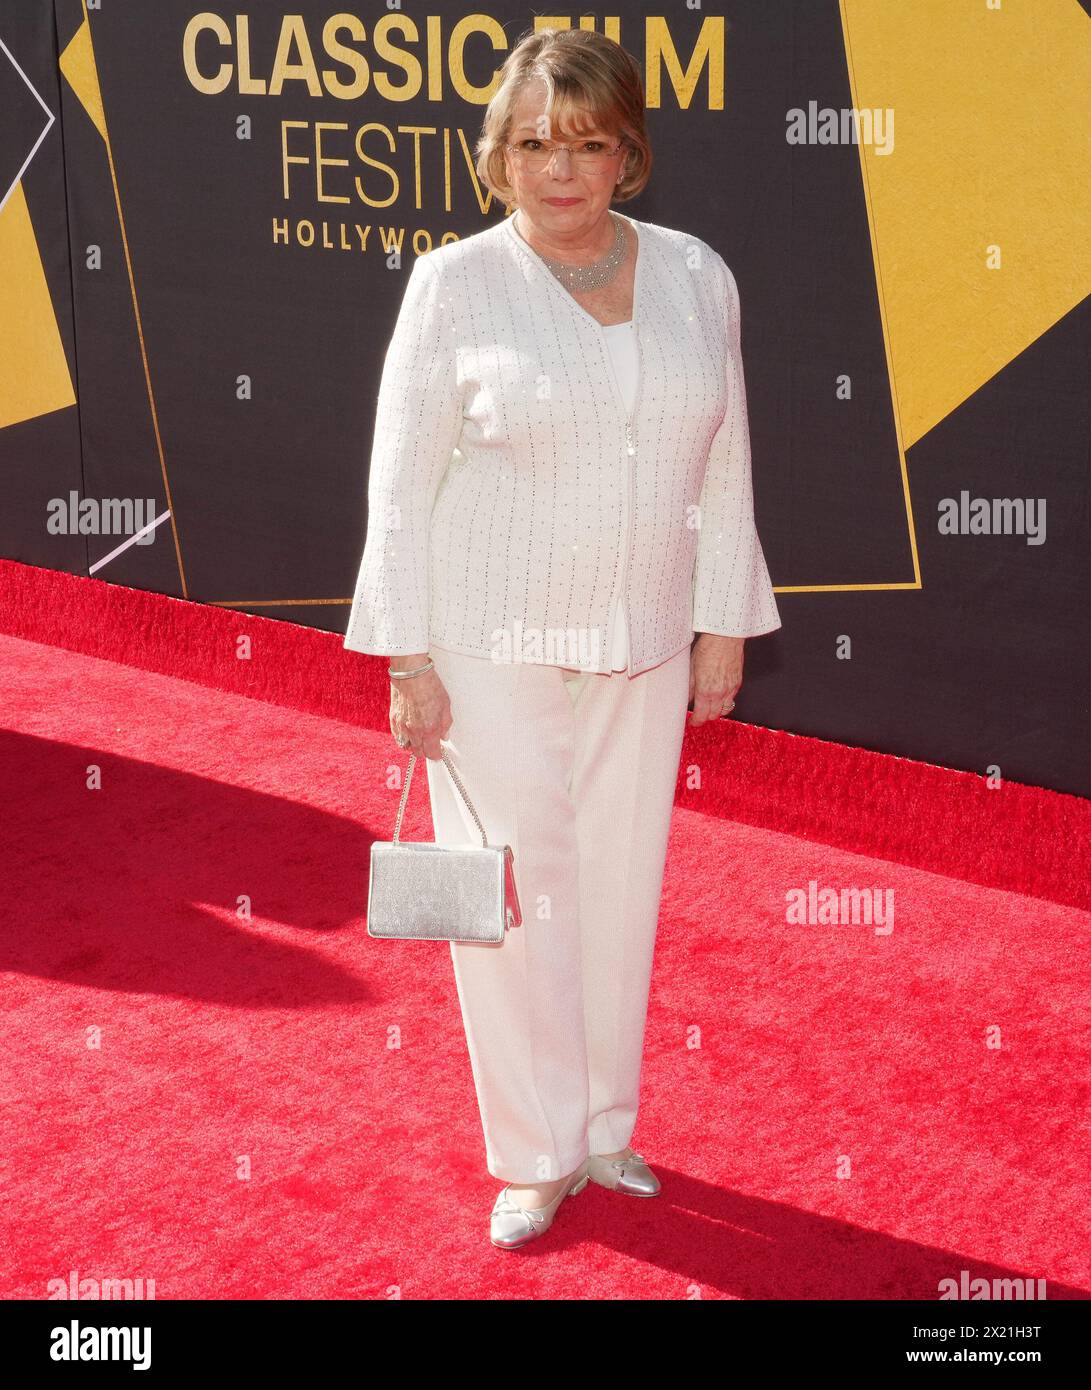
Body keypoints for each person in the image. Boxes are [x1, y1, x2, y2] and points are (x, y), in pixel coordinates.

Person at [344, 26, 781, 1249]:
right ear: (494, 158)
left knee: (618, 887)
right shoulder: (454, 284)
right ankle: (532, 1152)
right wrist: (407, 654)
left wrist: (719, 626)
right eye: (532, 142)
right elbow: (397, 480)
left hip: (643, 637)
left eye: (586, 141)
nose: (559, 167)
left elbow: (729, 457)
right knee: (515, 903)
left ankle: (600, 1124)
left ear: (625, 150)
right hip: (486, 646)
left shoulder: (698, 272)